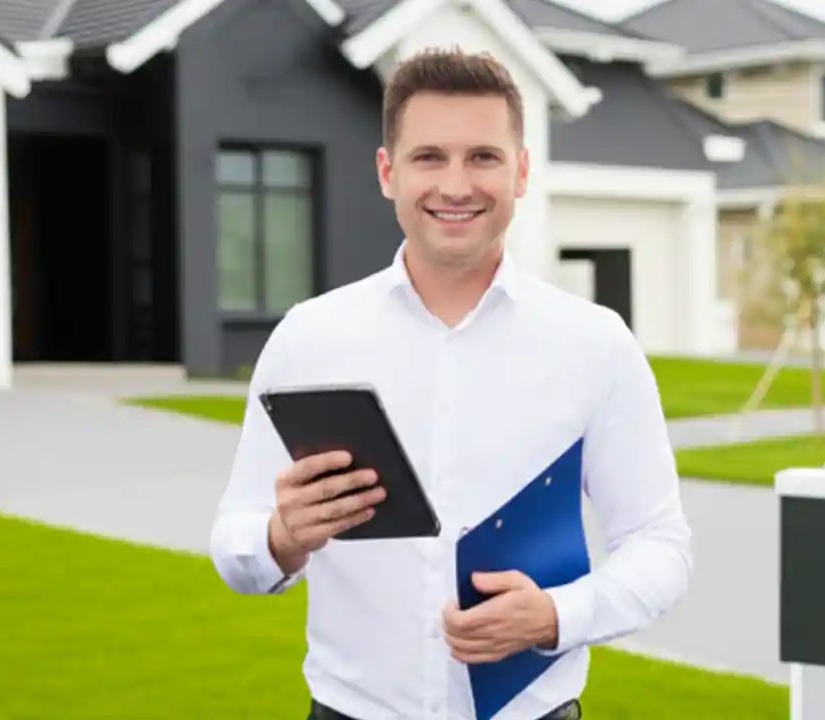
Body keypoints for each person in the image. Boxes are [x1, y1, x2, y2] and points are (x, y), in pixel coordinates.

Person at [209, 47, 693, 720]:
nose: (456, 185)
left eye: (483, 157)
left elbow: (661, 549)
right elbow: (236, 540)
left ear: (521, 171)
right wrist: (282, 538)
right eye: (429, 157)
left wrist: (557, 615)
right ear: (388, 172)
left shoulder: (596, 345)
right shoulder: (308, 338)